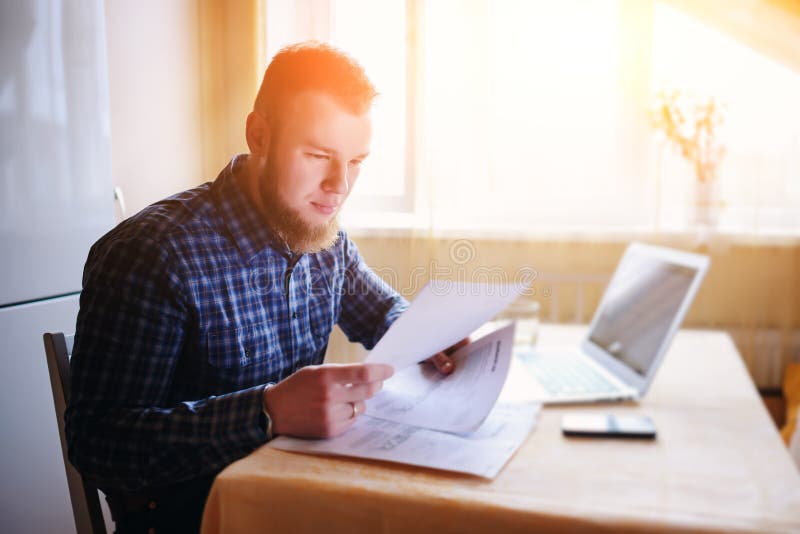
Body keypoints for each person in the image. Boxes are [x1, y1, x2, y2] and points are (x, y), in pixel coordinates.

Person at [65, 41, 464, 533]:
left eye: (356, 161)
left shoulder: (324, 237)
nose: (340, 185)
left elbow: (383, 313)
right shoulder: (152, 254)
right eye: (319, 155)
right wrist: (266, 412)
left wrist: (431, 335)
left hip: (299, 498)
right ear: (259, 135)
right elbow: (99, 445)